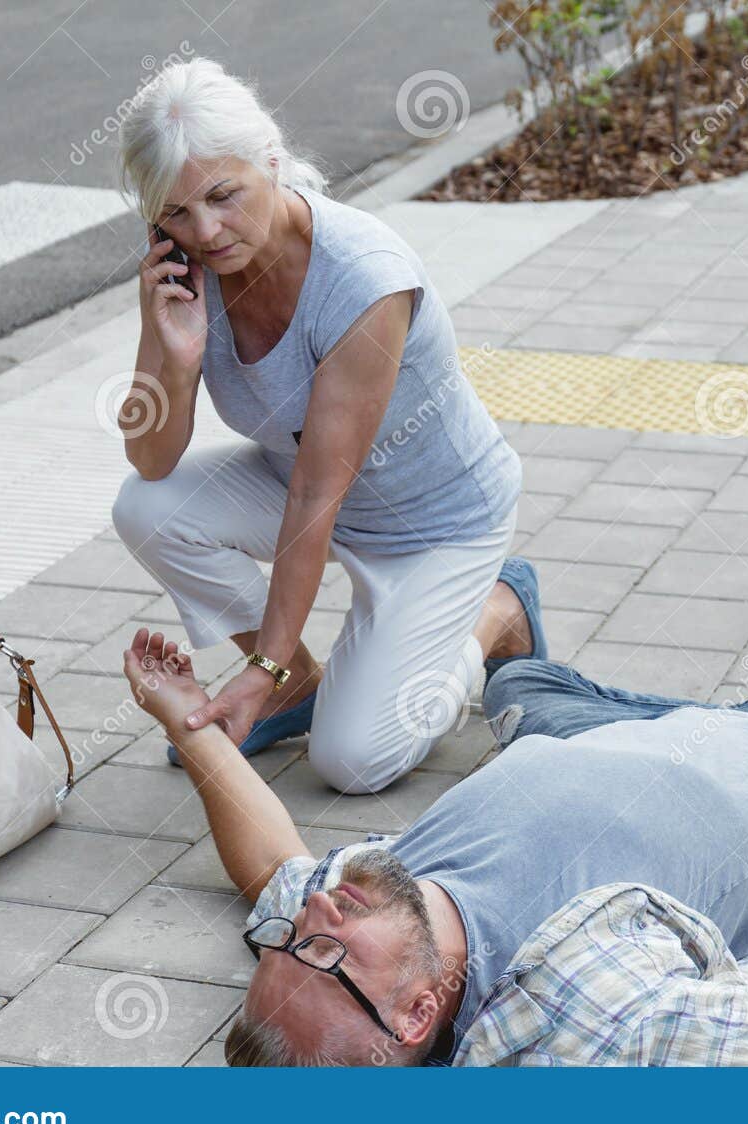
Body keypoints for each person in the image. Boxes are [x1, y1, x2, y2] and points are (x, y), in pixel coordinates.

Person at [120, 522, 748, 1066]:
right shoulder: (585, 1021)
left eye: (291, 942)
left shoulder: (351, 916)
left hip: (590, 729)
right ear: (422, 1010)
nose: (313, 915)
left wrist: (184, 719)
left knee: (521, 683)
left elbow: (267, 864)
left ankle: (513, 629)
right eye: (326, 951)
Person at [108, 58, 544, 793]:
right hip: (312, 495)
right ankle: (293, 687)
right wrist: (175, 353)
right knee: (144, 508)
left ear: (271, 162)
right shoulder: (187, 272)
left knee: (354, 760)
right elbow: (151, 461)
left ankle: (497, 612)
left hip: (435, 523)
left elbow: (317, 495)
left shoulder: (363, 279)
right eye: (177, 212)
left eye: (223, 195)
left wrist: (257, 659)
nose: (206, 231)